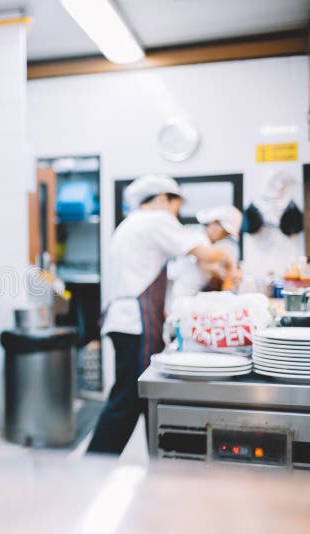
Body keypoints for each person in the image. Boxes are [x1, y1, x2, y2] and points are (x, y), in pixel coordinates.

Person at [87, 175, 234, 455]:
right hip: (135, 322)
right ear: (163, 199)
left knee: (144, 397)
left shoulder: (130, 223)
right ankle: (94, 464)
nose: (176, 212)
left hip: (124, 319)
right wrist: (226, 260)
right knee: (129, 397)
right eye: (177, 204)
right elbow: (202, 251)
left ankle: (158, 463)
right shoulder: (155, 220)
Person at [168, 206, 243, 306]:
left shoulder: (209, 243)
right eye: (223, 232)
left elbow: (213, 268)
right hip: (180, 296)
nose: (223, 236)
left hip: (192, 297)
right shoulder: (198, 238)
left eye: (226, 234)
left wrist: (228, 274)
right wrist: (230, 270)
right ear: (214, 223)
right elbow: (206, 263)